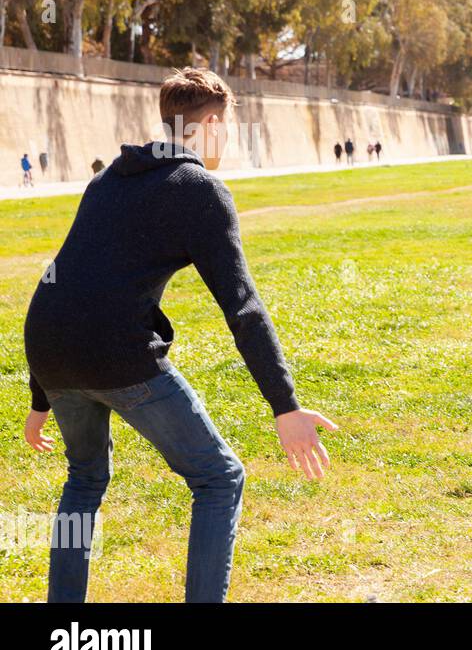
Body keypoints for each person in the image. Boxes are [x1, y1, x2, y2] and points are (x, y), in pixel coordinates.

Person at [22, 67, 338, 602]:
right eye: (227, 126)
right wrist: (286, 407)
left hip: (50, 349)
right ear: (211, 124)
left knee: (83, 479)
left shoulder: (108, 181)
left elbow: (66, 284)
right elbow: (242, 306)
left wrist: (42, 395)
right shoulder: (198, 189)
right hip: (115, 354)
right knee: (219, 478)